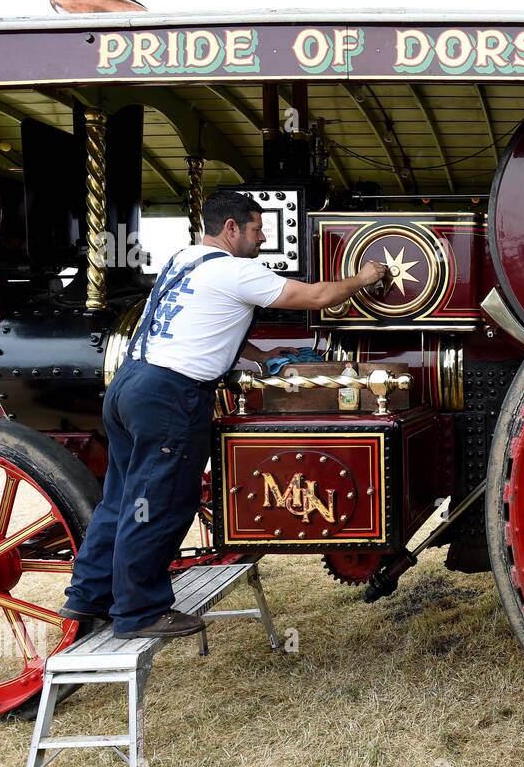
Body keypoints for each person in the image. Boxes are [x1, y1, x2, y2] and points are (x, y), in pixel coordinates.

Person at [63, 190, 387, 638]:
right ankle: (138, 614)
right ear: (231, 228)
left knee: (122, 500)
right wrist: (366, 276)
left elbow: (213, 323)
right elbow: (317, 296)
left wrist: (261, 356)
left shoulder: (183, 260)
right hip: (170, 396)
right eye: (256, 231)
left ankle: (88, 597)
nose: (260, 241)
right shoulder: (237, 271)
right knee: (159, 503)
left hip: (129, 385)